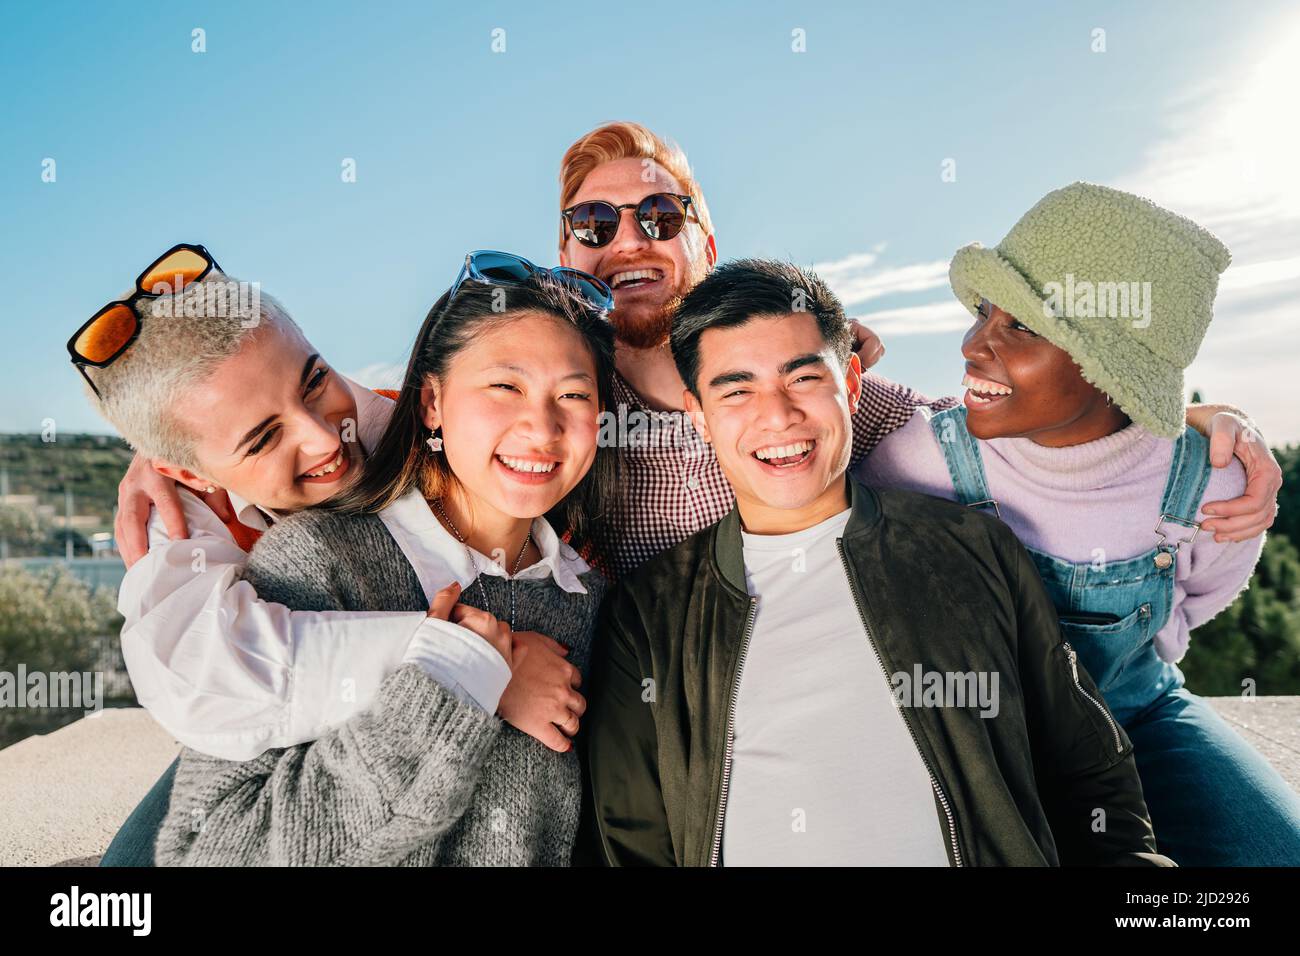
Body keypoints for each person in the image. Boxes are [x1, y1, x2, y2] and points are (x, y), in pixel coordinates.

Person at [582, 258, 1172, 866]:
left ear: (854, 384)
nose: (778, 415)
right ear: (700, 415)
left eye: (804, 379)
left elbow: (1088, 769)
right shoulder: (647, 615)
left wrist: (1192, 429)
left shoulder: (973, 548)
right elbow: (633, 842)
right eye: (737, 390)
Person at [74, 247, 585, 863]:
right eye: (263, 438)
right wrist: (473, 664)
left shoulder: (405, 417)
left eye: (314, 380)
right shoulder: (187, 529)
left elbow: (534, 347)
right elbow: (207, 682)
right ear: (185, 469)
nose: (324, 437)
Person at [856, 182, 1300, 865]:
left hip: (1140, 711)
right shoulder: (924, 458)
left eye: (1021, 327)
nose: (974, 342)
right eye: (984, 312)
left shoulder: (1211, 480)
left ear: (1111, 367)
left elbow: (1206, 595)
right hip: (988, 737)